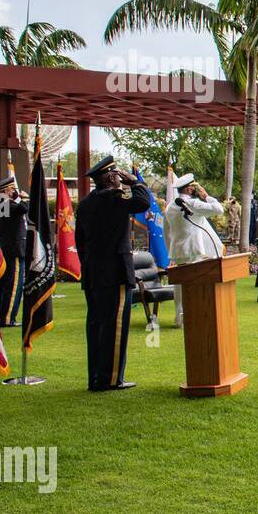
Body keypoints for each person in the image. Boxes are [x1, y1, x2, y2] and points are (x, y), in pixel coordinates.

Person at [74, 156, 153, 391]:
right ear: (110, 177)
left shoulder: (86, 203)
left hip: (92, 272)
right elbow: (143, 203)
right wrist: (135, 182)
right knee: (115, 326)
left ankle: (96, 376)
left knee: (96, 325)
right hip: (114, 272)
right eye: (115, 174)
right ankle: (109, 379)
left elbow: (80, 241)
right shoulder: (115, 199)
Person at [164, 173, 224, 327]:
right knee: (194, 284)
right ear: (190, 188)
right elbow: (218, 209)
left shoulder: (170, 206)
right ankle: (191, 315)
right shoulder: (192, 204)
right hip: (193, 250)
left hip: (178, 251)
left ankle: (180, 317)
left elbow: (166, 231)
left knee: (180, 286)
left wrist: (169, 250)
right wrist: (207, 196)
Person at [0, 174, 28, 327]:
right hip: (15, 250)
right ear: (7, 190)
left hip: (1, 250)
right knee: (13, 286)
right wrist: (22, 197)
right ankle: (7, 318)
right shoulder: (10, 205)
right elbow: (24, 208)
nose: (14, 191)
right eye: (12, 189)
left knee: (2, 286)